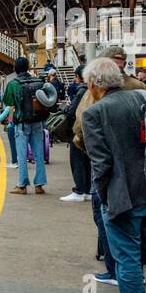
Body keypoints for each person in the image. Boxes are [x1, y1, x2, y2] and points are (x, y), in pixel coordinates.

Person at [80, 57, 146, 293]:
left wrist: (104, 196)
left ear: (94, 84)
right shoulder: (142, 98)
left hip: (123, 197)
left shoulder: (94, 113)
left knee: (127, 258)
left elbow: (101, 163)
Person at [2, 56, 55, 194]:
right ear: (28, 67)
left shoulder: (14, 84)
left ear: (15, 69)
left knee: (22, 155)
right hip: (38, 122)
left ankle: (22, 185)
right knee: (39, 154)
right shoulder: (39, 81)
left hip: (22, 124)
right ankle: (39, 185)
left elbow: (9, 103)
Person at [60, 65, 92, 203]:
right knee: (88, 162)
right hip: (92, 131)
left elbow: (72, 111)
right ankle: (88, 189)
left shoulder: (81, 91)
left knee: (77, 160)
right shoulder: (95, 89)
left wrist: (65, 108)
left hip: (79, 130)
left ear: (79, 77)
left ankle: (79, 190)